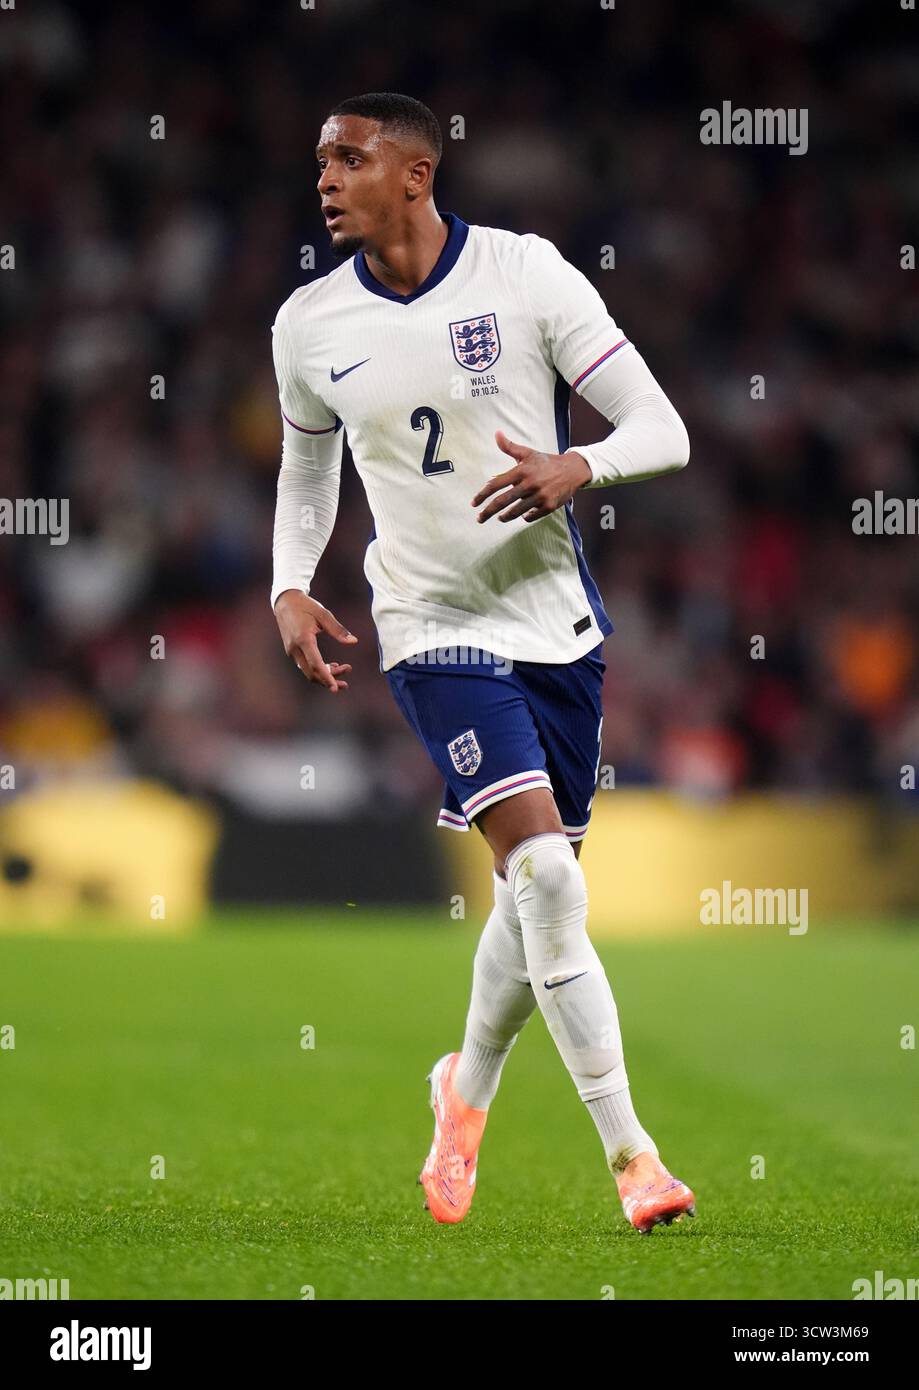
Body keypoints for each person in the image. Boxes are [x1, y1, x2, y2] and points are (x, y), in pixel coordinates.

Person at [271, 92, 695, 1234]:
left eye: (349, 158)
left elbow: (662, 429)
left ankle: (463, 1090)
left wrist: (580, 466)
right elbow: (307, 473)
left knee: (530, 891)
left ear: (415, 174)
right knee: (548, 879)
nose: (326, 178)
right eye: (320, 161)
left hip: (556, 628)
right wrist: (289, 582)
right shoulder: (308, 323)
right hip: (429, 627)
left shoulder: (526, 275)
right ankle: (634, 1158)